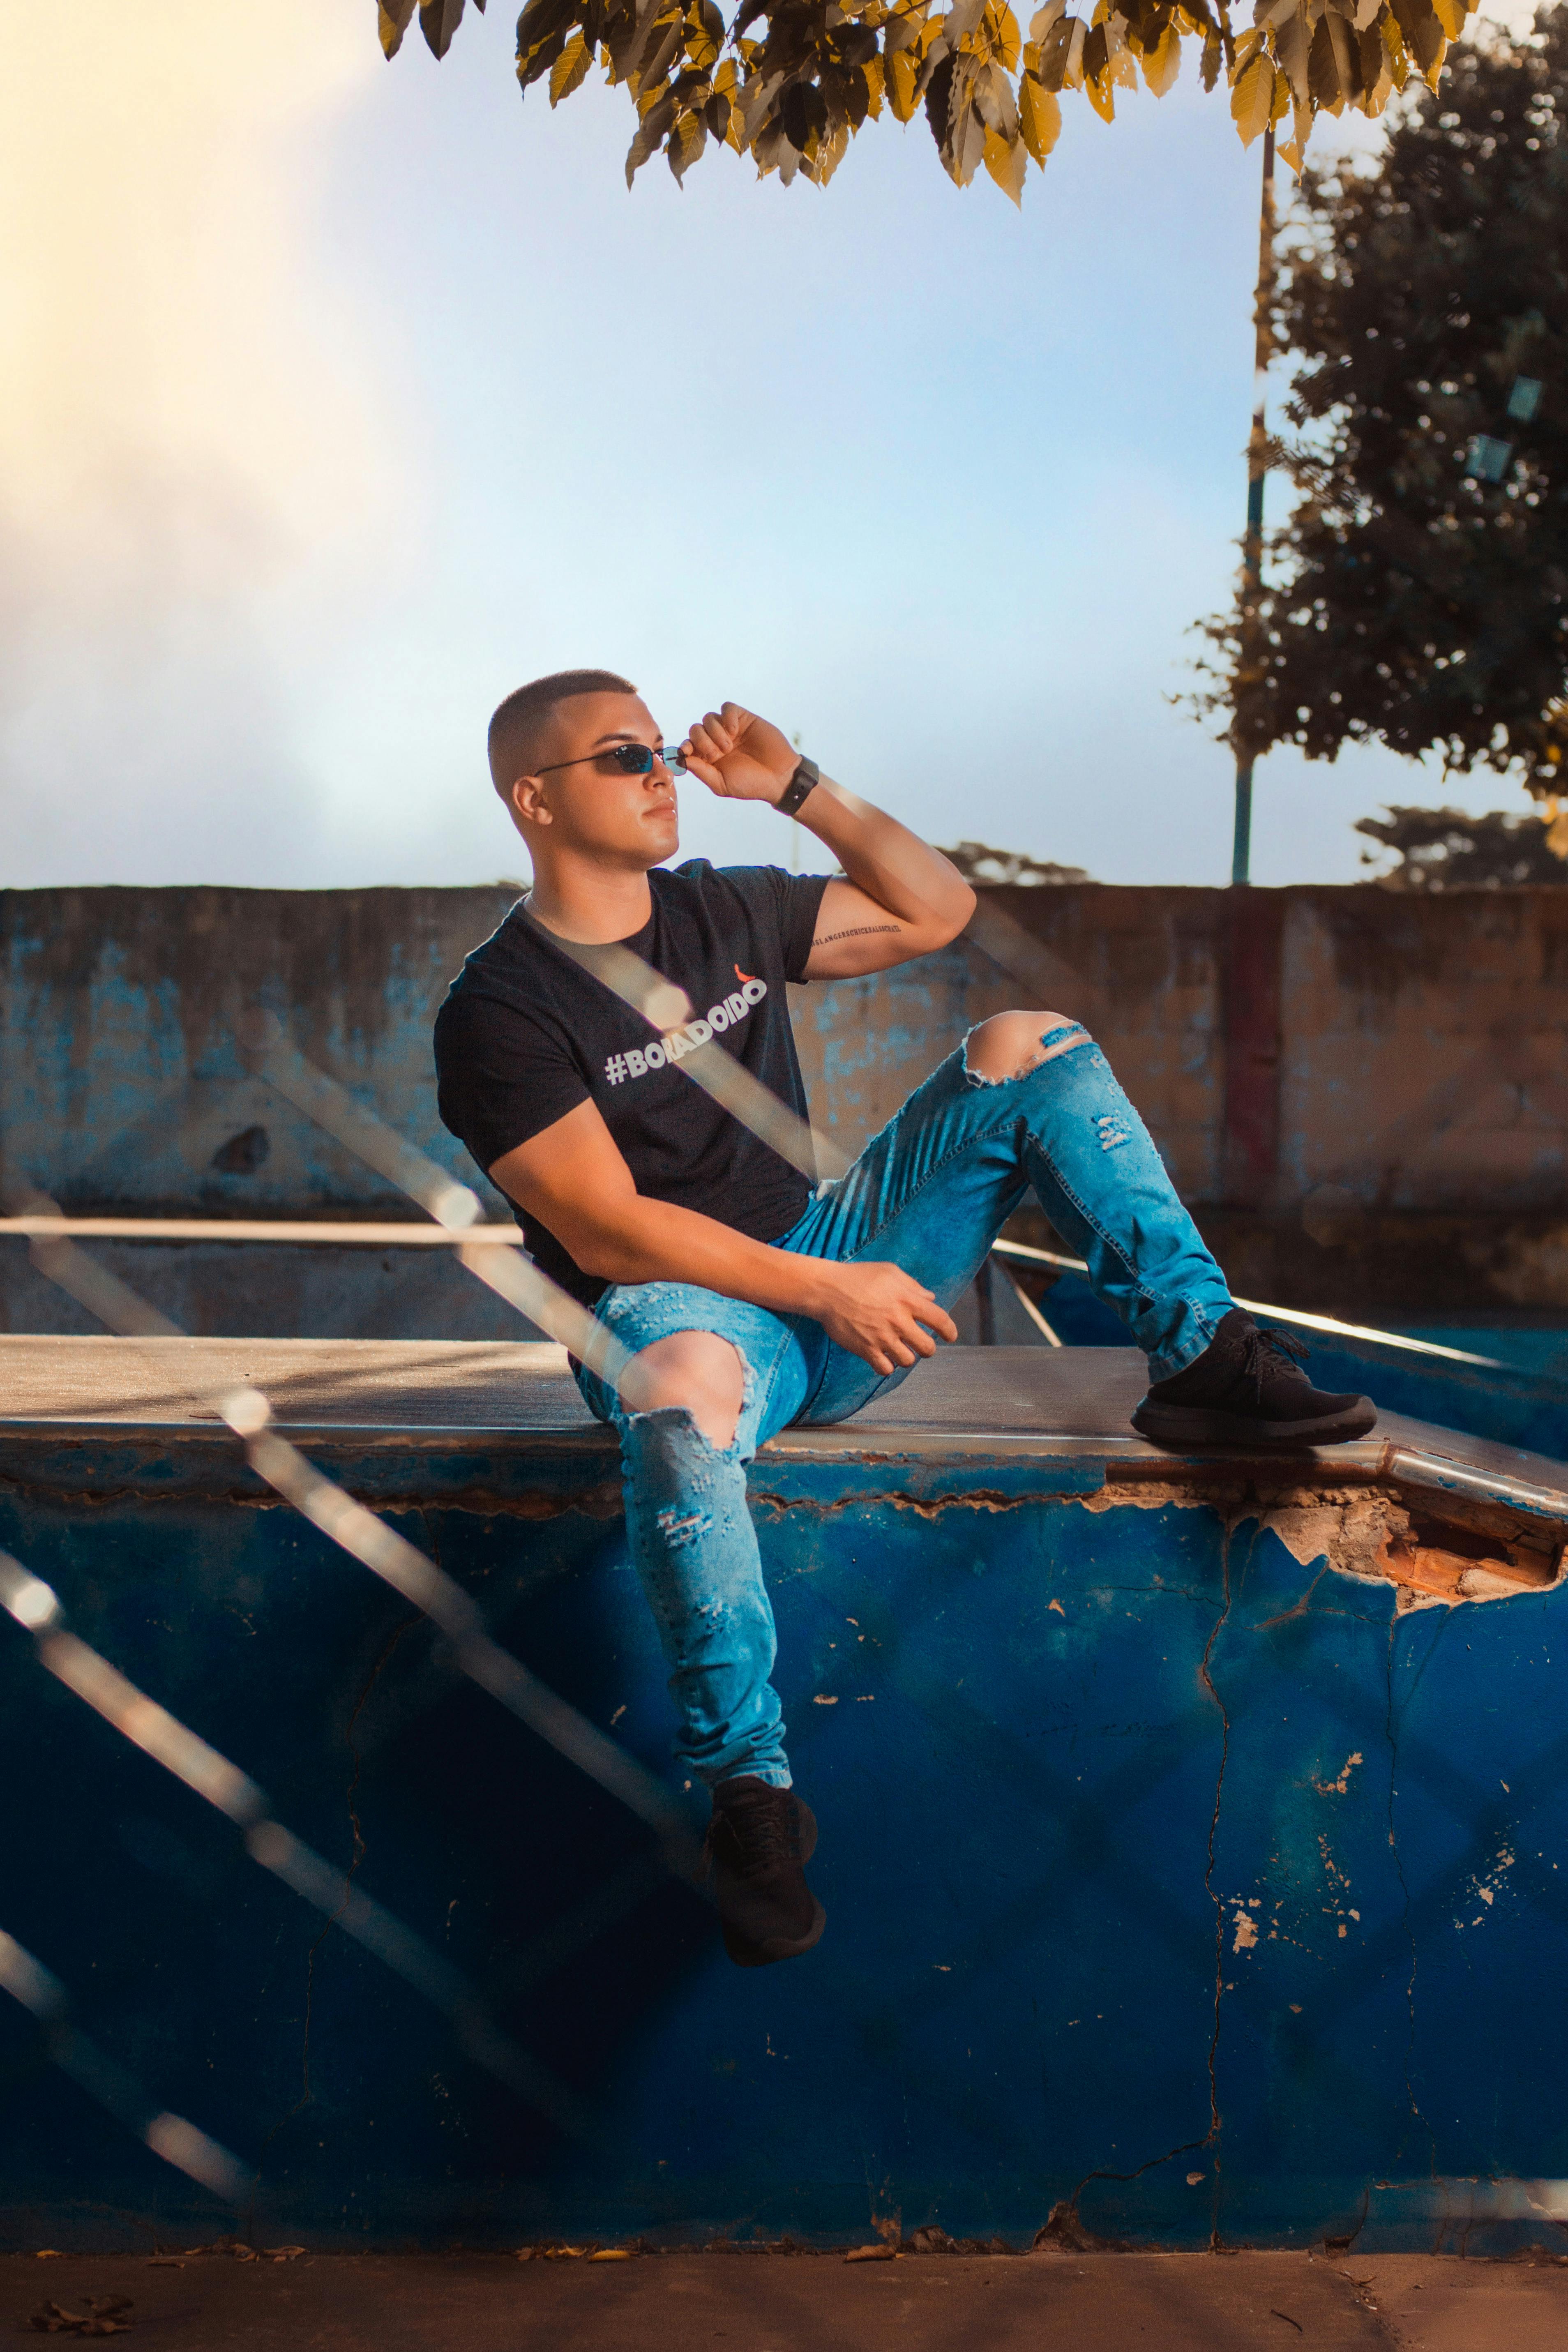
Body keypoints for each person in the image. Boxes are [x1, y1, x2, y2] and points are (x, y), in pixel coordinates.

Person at [434, 668, 1374, 1970]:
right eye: (620, 755)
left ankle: (1201, 1353)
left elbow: (939, 908)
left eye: (658, 746)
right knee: (678, 1385)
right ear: (534, 800)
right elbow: (604, 1229)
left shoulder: (722, 907)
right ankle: (752, 1798)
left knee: (1025, 1038)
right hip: (689, 1317)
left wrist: (798, 785)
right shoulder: (500, 1008)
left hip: (831, 1257)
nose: (659, 769)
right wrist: (827, 1290)